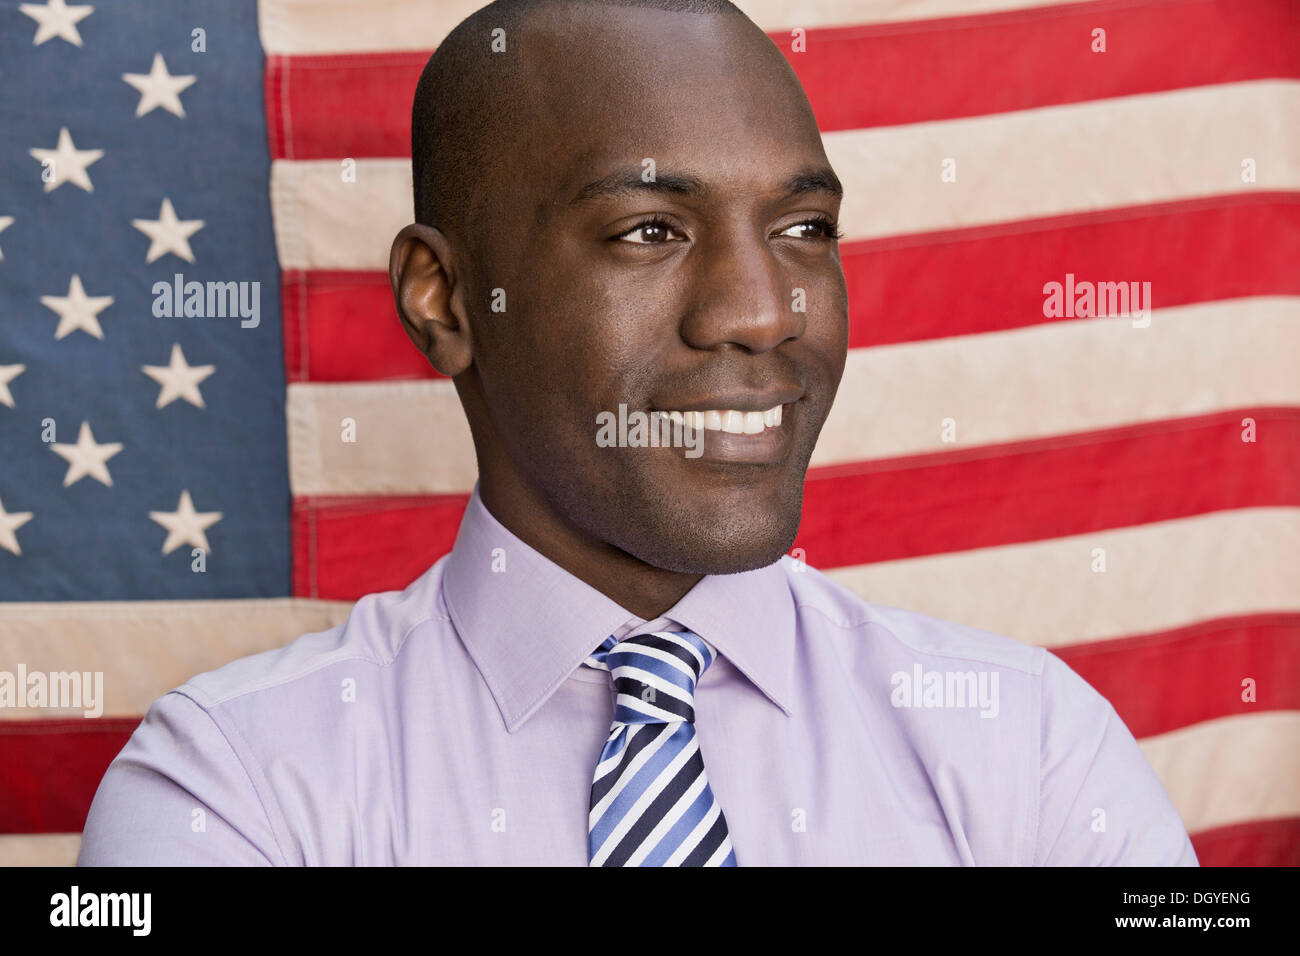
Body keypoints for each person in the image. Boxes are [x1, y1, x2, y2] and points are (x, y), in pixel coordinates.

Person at [78, 0, 1197, 866]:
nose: (763, 310)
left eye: (804, 227)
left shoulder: (1033, 744)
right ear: (446, 299)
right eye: (651, 228)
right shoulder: (232, 790)